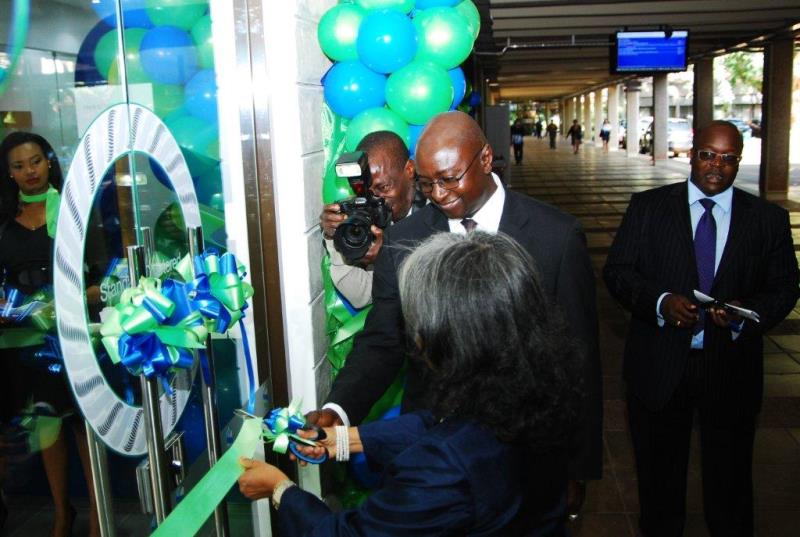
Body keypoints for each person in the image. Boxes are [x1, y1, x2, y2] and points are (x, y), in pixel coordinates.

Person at [310, 111, 602, 529]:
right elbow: (383, 341)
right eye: (427, 184)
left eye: (449, 179)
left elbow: (580, 361)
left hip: (528, 453)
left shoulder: (554, 236)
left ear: (485, 158)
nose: (440, 195)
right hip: (432, 446)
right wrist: (339, 409)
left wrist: (578, 466)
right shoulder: (405, 237)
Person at [239, 231, 581, 536]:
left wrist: (280, 489)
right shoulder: (536, 393)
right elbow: (437, 424)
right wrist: (339, 440)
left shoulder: (439, 469)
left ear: (448, 338)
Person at [603, 120, 799, 537]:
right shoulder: (649, 207)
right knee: (659, 482)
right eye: (709, 154)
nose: (717, 166)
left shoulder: (768, 220)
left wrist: (750, 314)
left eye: (728, 159)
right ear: (692, 153)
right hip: (659, 367)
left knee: (729, 484)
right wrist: (660, 302)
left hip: (730, 369)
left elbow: (785, 288)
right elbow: (618, 271)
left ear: (738, 162)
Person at [0, 132, 99, 537]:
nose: (29, 172)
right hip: (20, 344)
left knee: (82, 428)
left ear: (49, 162)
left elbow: (103, 278)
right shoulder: (3, 219)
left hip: (71, 336)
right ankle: (62, 514)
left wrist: (65, 301)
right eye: (19, 165)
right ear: (8, 173)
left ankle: (98, 516)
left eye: (35, 161)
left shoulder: (76, 210)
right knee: (45, 427)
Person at [319, 130, 418, 308]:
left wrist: (388, 257)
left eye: (384, 187)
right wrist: (335, 239)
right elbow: (361, 296)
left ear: (409, 169)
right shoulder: (369, 217)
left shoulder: (439, 210)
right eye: (368, 192)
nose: (377, 199)